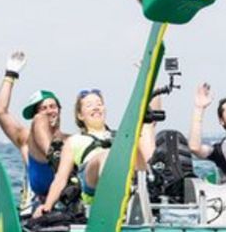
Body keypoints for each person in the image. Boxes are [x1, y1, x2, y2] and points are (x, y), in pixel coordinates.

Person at [34, 89, 158, 218]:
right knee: (107, 156)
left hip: (125, 174)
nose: (96, 108)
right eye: (89, 105)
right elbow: (60, 178)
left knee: (140, 140)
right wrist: (47, 206)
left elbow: (140, 165)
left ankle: (144, 197)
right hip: (91, 178)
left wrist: (136, 140)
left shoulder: (121, 136)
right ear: (80, 115)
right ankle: (114, 207)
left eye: (99, 104)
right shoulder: (73, 141)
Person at [0, 50, 67, 202]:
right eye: (43, 108)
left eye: (52, 106)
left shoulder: (70, 140)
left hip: (67, 201)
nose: (49, 111)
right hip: (37, 202)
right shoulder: (26, 139)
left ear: (59, 110)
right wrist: (10, 74)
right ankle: (54, 158)